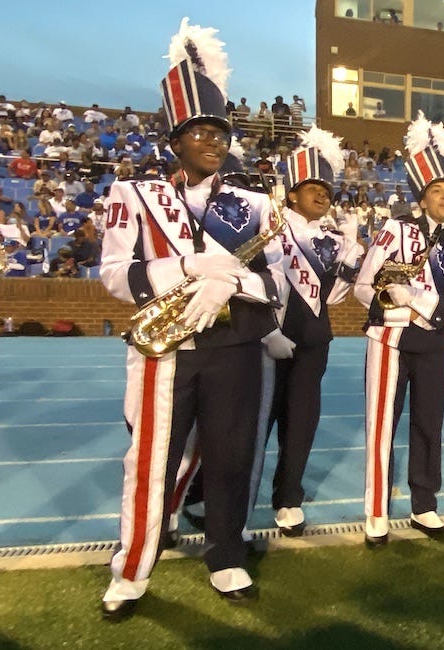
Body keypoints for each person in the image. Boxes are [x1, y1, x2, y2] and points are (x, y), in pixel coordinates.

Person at [97, 18, 283, 621]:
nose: (214, 141)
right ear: (174, 139)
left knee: (230, 457)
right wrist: (188, 268)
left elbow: (275, 284)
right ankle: (132, 568)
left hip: (235, 347)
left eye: (221, 133)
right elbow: (114, 276)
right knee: (152, 461)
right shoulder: (134, 194)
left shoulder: (255, 204)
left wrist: (230, 280)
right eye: (200, 131)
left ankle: (226, 556)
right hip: (166, 350)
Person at [354, 114, 444, 545]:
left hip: (435, 342)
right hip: (389, 341)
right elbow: (364, 286)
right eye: (438, 191)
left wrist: (418, 299)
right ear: (422, 198)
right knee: (381, 425)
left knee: (429, 424)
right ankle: (376, 509)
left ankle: (425, 505)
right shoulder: (395, 229)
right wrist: (398, 306)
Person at [254, 127, 363, 538]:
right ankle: (221, 494)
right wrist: (268, 331)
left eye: (326, 191)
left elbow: (332, 297)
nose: (321, 195)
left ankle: (288, 498)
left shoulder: (332, 240)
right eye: (312, 188)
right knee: (252, 422)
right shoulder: (269, 226)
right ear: (292, 194)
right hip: (268, 340)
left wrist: (351, 252)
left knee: (300, 423)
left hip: (313, 342)